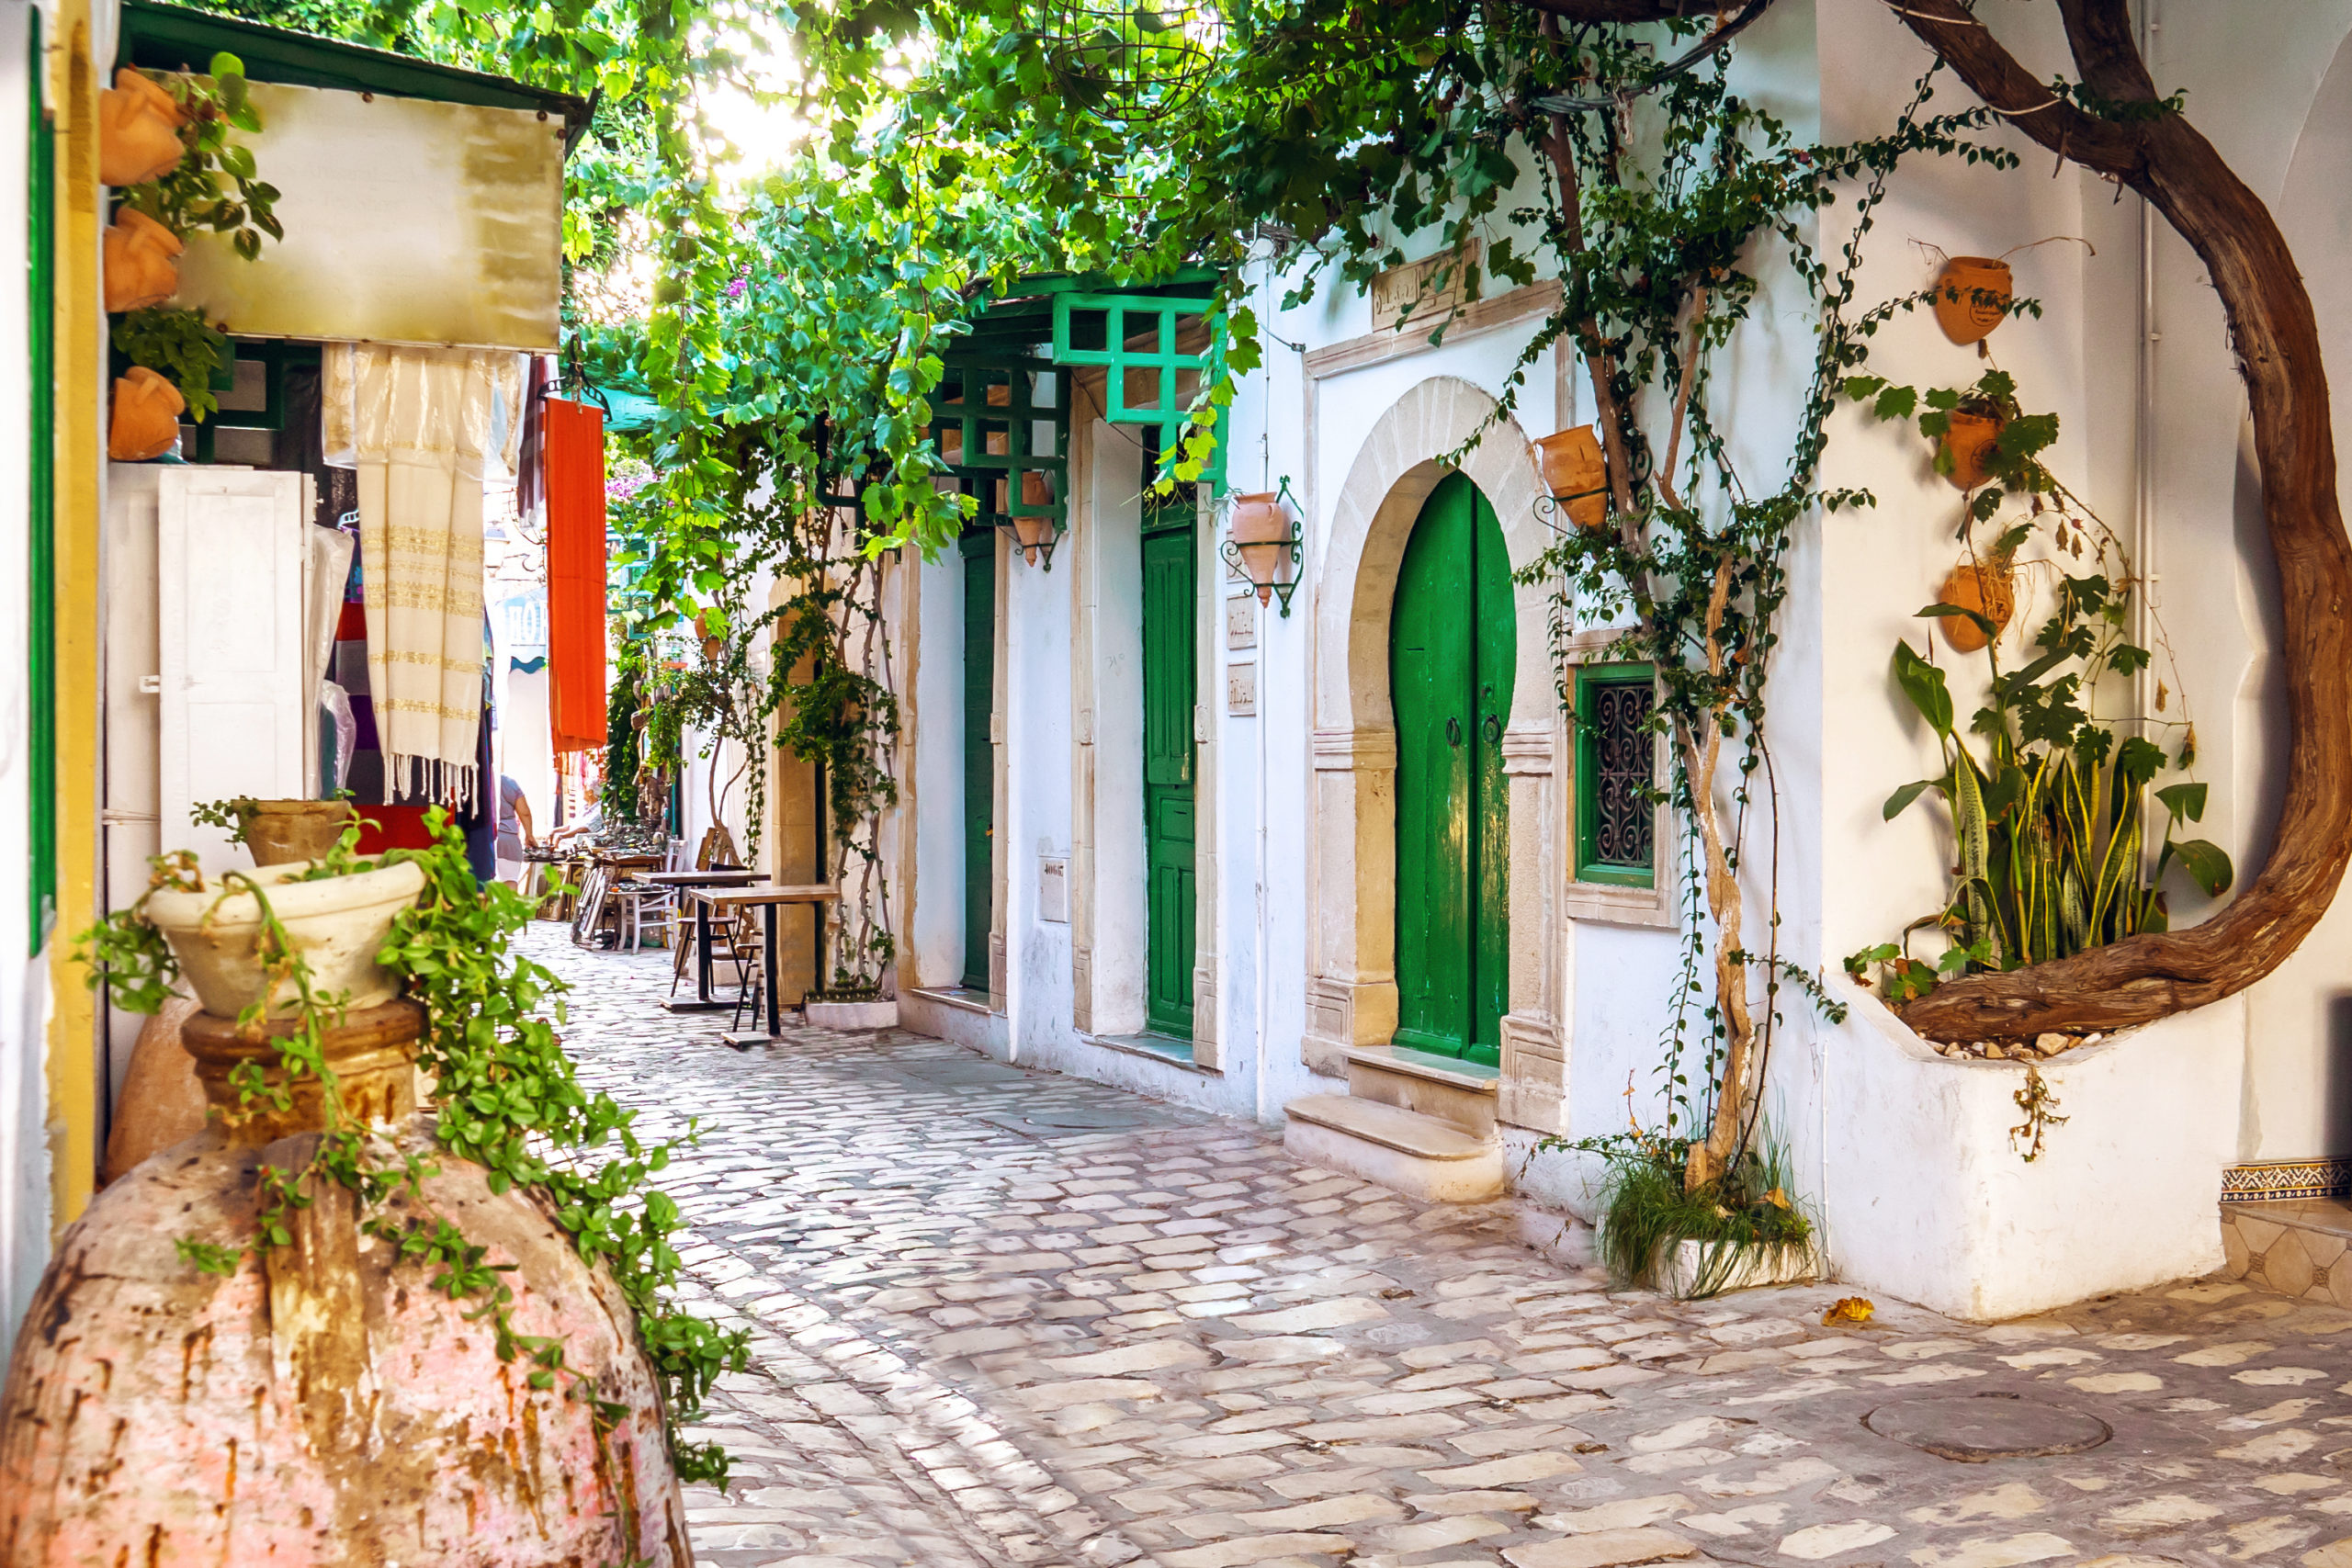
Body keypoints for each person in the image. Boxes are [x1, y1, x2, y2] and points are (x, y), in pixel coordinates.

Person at [496, 773, 537, 888]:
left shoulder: (473, 778)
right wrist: (529, 835)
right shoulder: (508, 782)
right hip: (508, 840)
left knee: (483, 885)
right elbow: (524, 812)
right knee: (510, 881)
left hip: (483, 838)